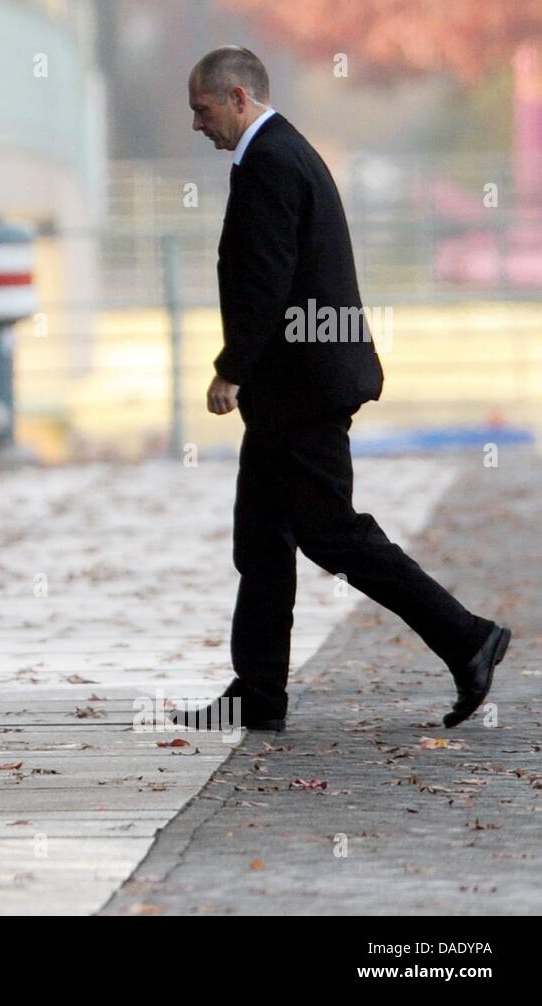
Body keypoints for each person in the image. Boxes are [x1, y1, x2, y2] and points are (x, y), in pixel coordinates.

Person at [173, 47, 509, 733]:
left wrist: (230, 368)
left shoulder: (270, 162)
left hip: (301, 389)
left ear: (238, 98)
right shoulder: (283, 152)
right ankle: (258, 693)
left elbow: (267, 281)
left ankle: (467, 636)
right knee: (263, 537)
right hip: (297, 385)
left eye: (202, 110)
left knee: (334, 534)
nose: (196, 125)